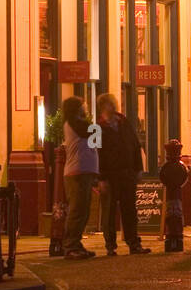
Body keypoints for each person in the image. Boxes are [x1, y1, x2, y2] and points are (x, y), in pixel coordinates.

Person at [95, 92, 152, 255]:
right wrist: (101, 178)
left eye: (114, 104)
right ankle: (110, 245)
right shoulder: (97, 128)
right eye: (110, 104)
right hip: (109, 176)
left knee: (129, 210)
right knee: (109, 212)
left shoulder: (124, 122)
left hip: (127, 174)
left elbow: (135, 145)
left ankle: (133, 243)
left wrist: (138, 169)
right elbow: (95, 154)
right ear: (103, 107)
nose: (113, 107)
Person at [61, 96, 99, 259]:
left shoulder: (79, 124)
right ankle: (71, 246)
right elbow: (95, 133)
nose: (86, 109)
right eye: (83, 106)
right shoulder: (75, 124)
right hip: (77, 172)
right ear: (77, 109)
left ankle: (76, 243)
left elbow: (95, 143)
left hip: (85, 171)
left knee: (83, 210)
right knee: (77, 210)